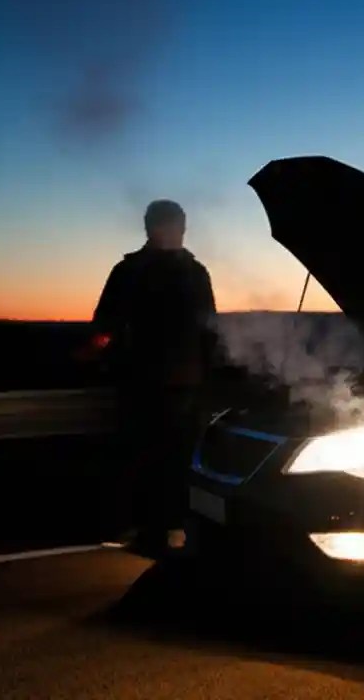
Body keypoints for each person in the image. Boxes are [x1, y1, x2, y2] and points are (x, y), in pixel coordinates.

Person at [91, 199, 219, 557]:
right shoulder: (192, 273)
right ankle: (172, 530)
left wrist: (103, 350)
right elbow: (210, 331)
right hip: (173, 382)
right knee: (172, 459)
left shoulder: (132, 270)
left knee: (151, 457)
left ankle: (156, 531)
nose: (176, 231)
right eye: (175, 225)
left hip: (149, 381)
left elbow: (104, 325)